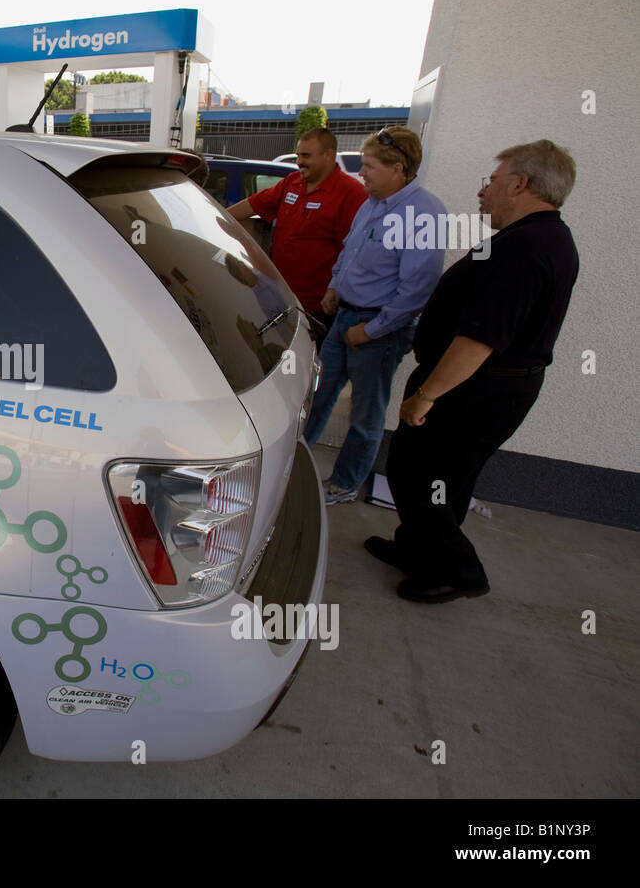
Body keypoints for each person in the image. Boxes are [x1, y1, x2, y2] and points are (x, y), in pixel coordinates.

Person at [367, 140, 580, 603]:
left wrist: (426, 395)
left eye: (493, 181)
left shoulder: (525, 249)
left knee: (420, 477)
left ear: (520, 184)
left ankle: (458, 571)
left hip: (473, 392)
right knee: (445, 478)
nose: (483, 192)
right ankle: (418, 549)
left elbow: (480, 339)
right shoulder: (541, 237)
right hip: (486, 389)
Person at [303, 126, 445, 504]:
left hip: (378, 328)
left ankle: (345, 483)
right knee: (316, 396)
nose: (360, 173)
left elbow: (417, 288)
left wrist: (372, 330)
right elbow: (349, 253)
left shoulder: (423, 213)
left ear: (398, 168)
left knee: (365, 416)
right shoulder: (374, 202)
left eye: (368, 166)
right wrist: (334, 286)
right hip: (346, 317)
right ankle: (293, 466)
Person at [228, 128, 366, 347]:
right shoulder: (292, 182)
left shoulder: (351, 194)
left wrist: (335, 290)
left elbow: (354, 253)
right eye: (298, 155)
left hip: (317, 305)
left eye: (306, 156)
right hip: (280, 293)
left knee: (306, 358)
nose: (299, 161)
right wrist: (218, 219)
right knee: (280, 350)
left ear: (328, 155)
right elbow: (254, 204)